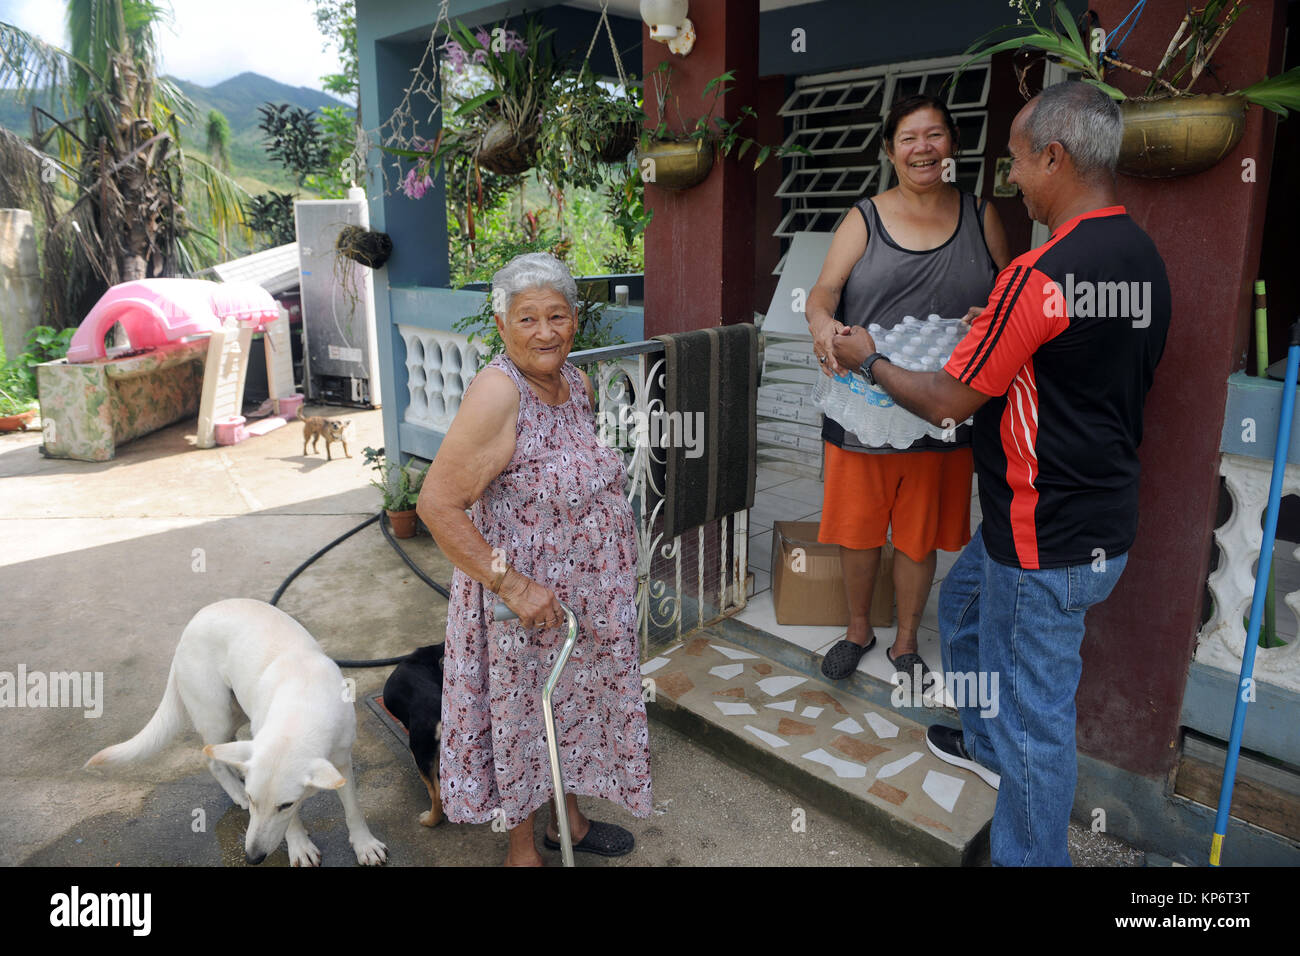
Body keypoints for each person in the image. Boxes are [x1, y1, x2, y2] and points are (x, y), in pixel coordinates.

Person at [831, 81, 1171, 866]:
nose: (1011, 178)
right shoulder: (1140, 254)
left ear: (1054, 156)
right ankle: (985, 744)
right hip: (1099, 520)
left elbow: (951, 401)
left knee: (1036, 722)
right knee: (964, 599)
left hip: (1041, 534)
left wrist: (869, 358)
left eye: (1018, 161)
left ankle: (1027, 852)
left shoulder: (1036, 276)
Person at [417, 252, 652, 867]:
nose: (544, 331)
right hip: (519, 602)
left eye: (557, 315)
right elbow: (437, 505)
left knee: (569, 702)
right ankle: (523, 848)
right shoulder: (498, 392)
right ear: (502, 327)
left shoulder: (576, 382)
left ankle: (567, 820)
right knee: (519, 713)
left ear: (575, 321)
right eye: (527, 319)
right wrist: (514, 587)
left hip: (578, 595)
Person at [807, 94, 1010, 684]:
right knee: (858, 526)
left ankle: (905, 641)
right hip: (864, 403)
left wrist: (990, 315)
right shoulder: (863, 217)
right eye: (908, 138)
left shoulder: (981, 214)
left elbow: (1013, 295)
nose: (923, 148)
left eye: (935, 135)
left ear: (952, 144)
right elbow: (823, 294)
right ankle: (857, 629)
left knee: (920, 533)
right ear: (891, 150)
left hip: (943, 405)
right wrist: (823, 326)